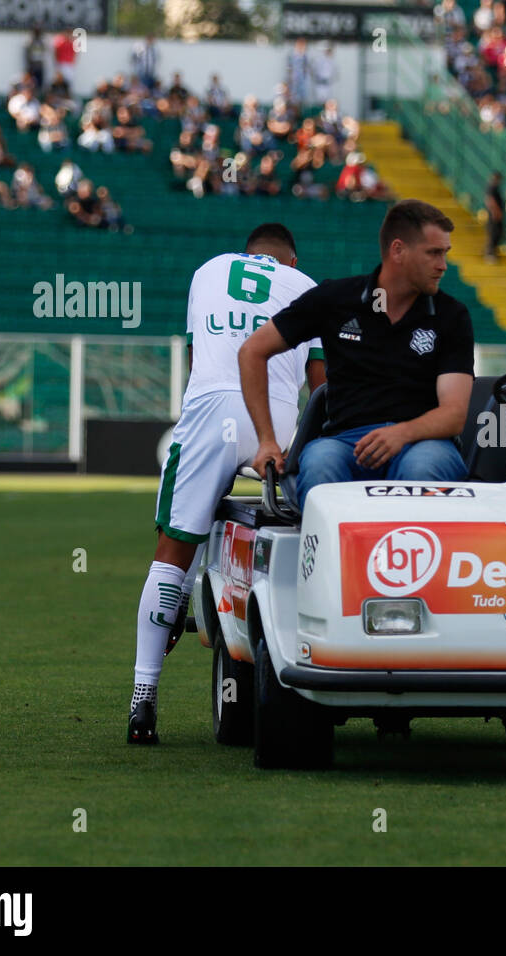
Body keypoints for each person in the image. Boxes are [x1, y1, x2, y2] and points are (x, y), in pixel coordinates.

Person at [127, 223, 326, 744]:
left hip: (213, 406)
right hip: (278, 418)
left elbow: (201, 364)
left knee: (174, 543)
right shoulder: (307, 287)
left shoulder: (207, 272)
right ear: (291, 260)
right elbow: (323, 389)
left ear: (249, 253)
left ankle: (143, 693)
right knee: (294, 534)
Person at [240, 200, 474, 510]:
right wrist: (267, 440)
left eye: (445, 253)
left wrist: (400, 433)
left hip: (424, 442)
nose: (443, 264)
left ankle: (411, 555)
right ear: (398, 251)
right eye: (433, 253)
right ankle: (331, 558)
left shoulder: (452, 316)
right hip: (344, 442)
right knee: (321, 463)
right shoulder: (335, 298)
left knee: (423, 468)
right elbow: (252, 351)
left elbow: (455, 414)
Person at [484, 171, 505, 260]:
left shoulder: (494, 187)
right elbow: (490, 200)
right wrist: (495, 212)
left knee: (497, 233)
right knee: (494, 233)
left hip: (495, 214)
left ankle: (492, 252)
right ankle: (490, 253)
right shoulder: (492, 187)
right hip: (494, 215)